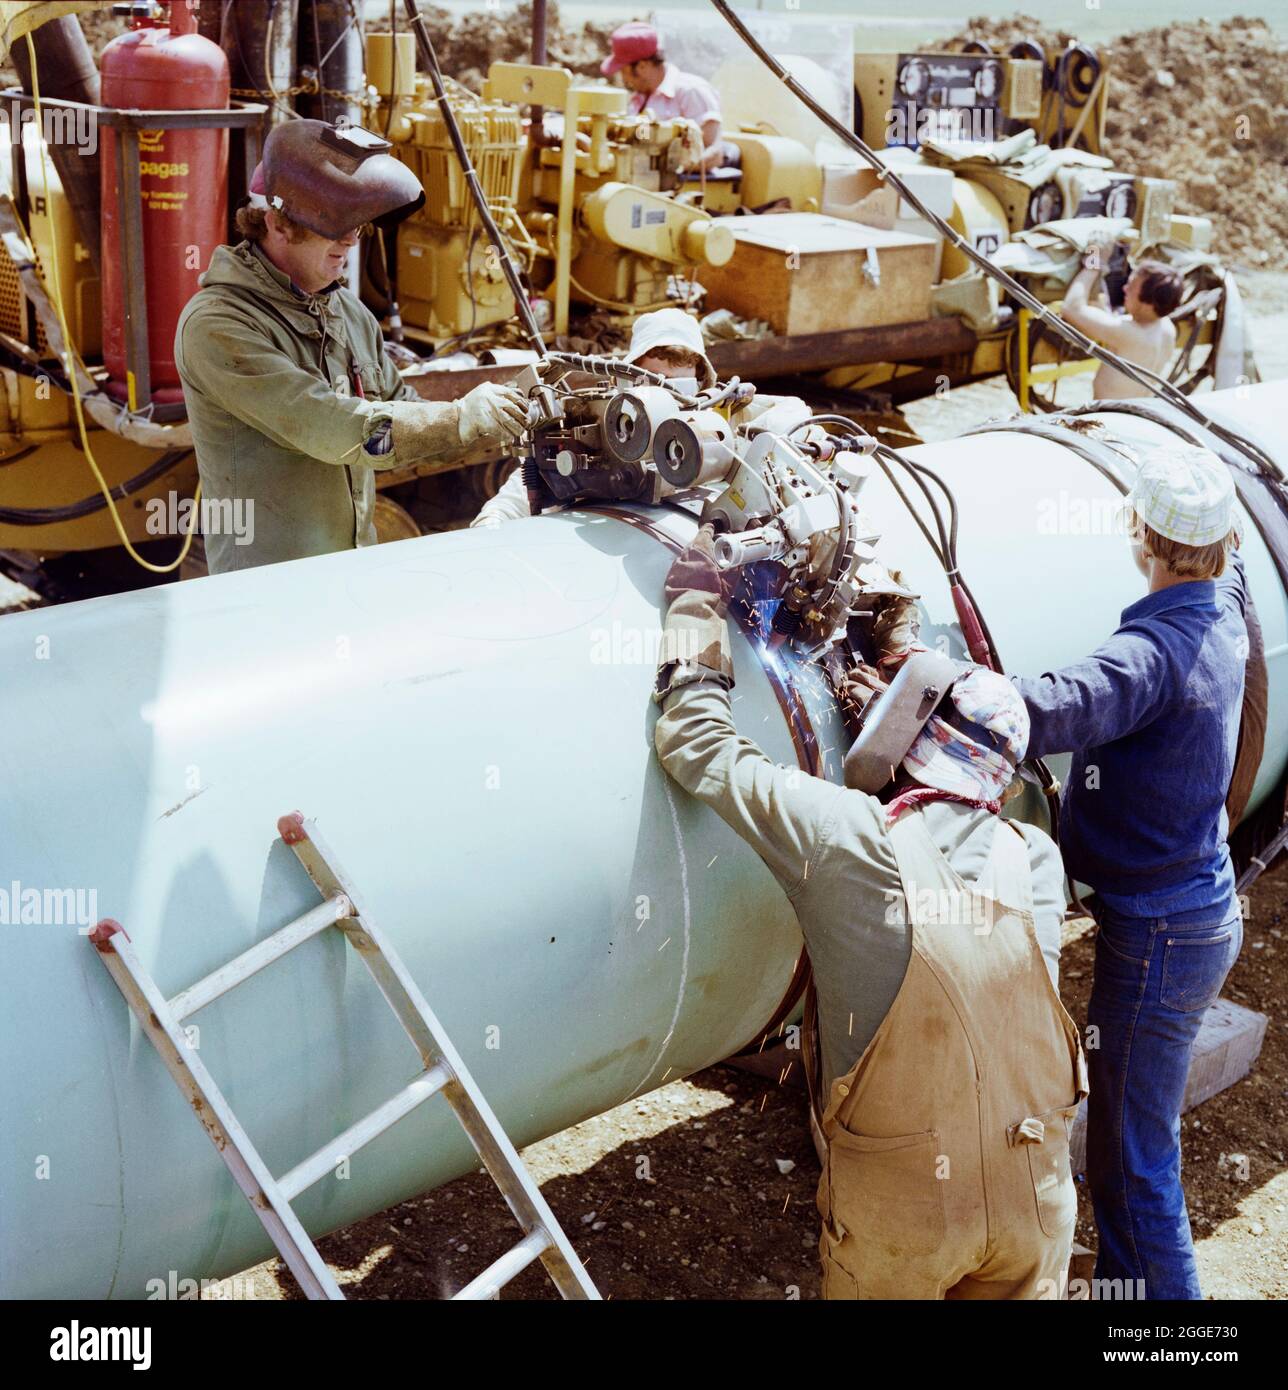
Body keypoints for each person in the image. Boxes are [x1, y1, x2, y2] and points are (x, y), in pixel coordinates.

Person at [652, 526, 1086, 1299]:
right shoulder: (1037, 860)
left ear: (909, 741)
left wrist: (693, 603)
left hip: (907, 1213)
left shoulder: (845, 839)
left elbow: (696, 746)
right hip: (1037, 1191)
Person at [1013, 442, 1248, 1300]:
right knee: (1127, 1142)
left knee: (1132, 1159)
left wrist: (934, 683)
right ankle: (1124, 1293)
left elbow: (1056, 704)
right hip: (1191, 913)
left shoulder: (1150, 653)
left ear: (1139, 533)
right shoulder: (1222, 613)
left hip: (1159, 938)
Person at [175, 119, 529, 573]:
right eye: (337, 223)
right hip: (266, 589)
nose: (351, 238)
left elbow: (402, 409)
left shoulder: (346, 312)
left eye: (358, 224)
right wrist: (461, 419)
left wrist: (500, 424)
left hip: (347, 570)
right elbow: (331, 427)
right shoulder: (218, 325)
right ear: (278, 225)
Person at [470, 307, 718, 529]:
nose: (667, 396)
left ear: (700, 386)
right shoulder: (599, 430)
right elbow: (510, 504)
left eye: (680, 386)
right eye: (653, 381)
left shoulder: (715, 442)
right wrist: (488, 528)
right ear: (626, 381)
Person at [601, 21, 739, 173]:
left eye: (623, 71)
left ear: (642, 66)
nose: (624, 79)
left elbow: (713, 154)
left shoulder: (691, 92)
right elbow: (642, 140)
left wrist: (670, 171)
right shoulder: (639, 99)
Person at [1061, 233, 1183, 400]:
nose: (1125, 289)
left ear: (1148, 305)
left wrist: (1094, 263)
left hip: (1110, 416)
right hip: (1137, 412)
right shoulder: (1167, 329)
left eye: (1131, 287)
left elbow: (1071, 308)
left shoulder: (1130, 334)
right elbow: (1115, 323)